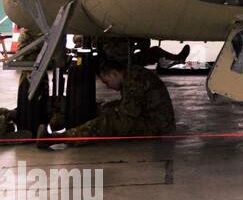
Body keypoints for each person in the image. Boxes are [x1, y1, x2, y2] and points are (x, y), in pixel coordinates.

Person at [39, 57, 176, 150]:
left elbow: (126, 117)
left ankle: (56, 138)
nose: (108, 87)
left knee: (105, 123)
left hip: (156, 127)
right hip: (150, 119)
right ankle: (61, 123)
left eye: (107, 82)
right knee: (105, 109)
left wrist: (102, 118)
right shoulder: (132, 75)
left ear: (114, 74)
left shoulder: (134, 81)